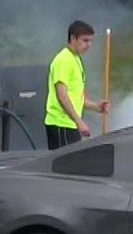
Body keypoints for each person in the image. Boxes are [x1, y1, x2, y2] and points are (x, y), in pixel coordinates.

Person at [45, 20, 109, 149]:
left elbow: (77, 97)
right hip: (61, 124)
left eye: (90, 41)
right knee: (64, 167)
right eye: (85, 40)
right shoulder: (64, 60)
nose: (89, 45)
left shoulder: (76, 59)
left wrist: (96, 106)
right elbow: (62, 96)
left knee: (71, 167)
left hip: (70, 124)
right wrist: (79, 122)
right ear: (73, 38)